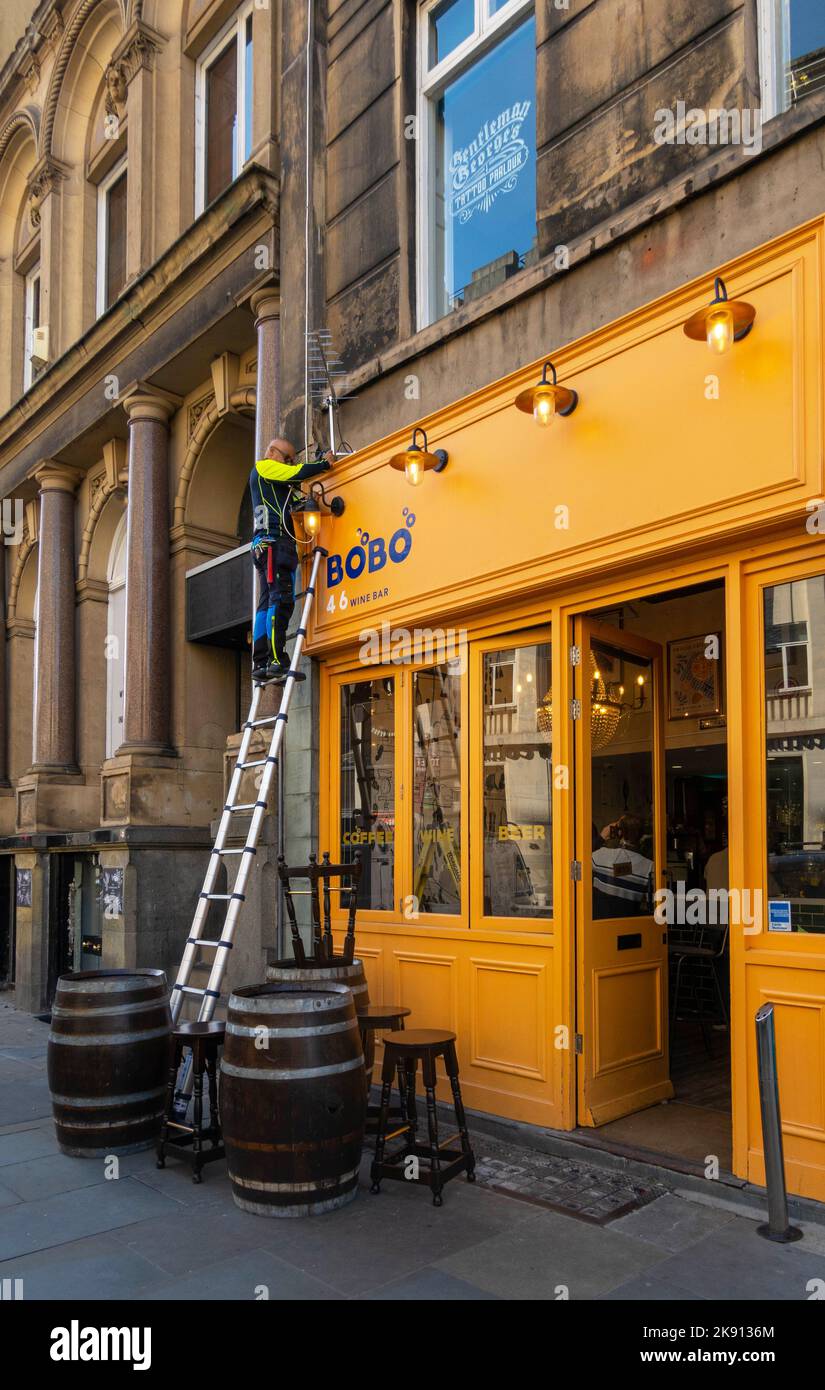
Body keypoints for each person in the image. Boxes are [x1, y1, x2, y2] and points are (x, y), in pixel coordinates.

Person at [249, 437, 332, 682]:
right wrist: (323, 465)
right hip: (276, 544)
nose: (291, 463)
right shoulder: (264, 467)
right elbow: (297, 473)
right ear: (273, 454)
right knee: (281, 601)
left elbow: (290, 504)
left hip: (263, 546)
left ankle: (261, 663)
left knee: (265, 604)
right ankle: (277, 660)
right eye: (288, 459)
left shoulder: (271, 485)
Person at [592, 813, 654, 917]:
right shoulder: (649, 867)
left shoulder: (602, 855)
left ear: (619, 832)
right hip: (628, 928)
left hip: (600, 928)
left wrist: (601, 837)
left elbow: (578, 861)